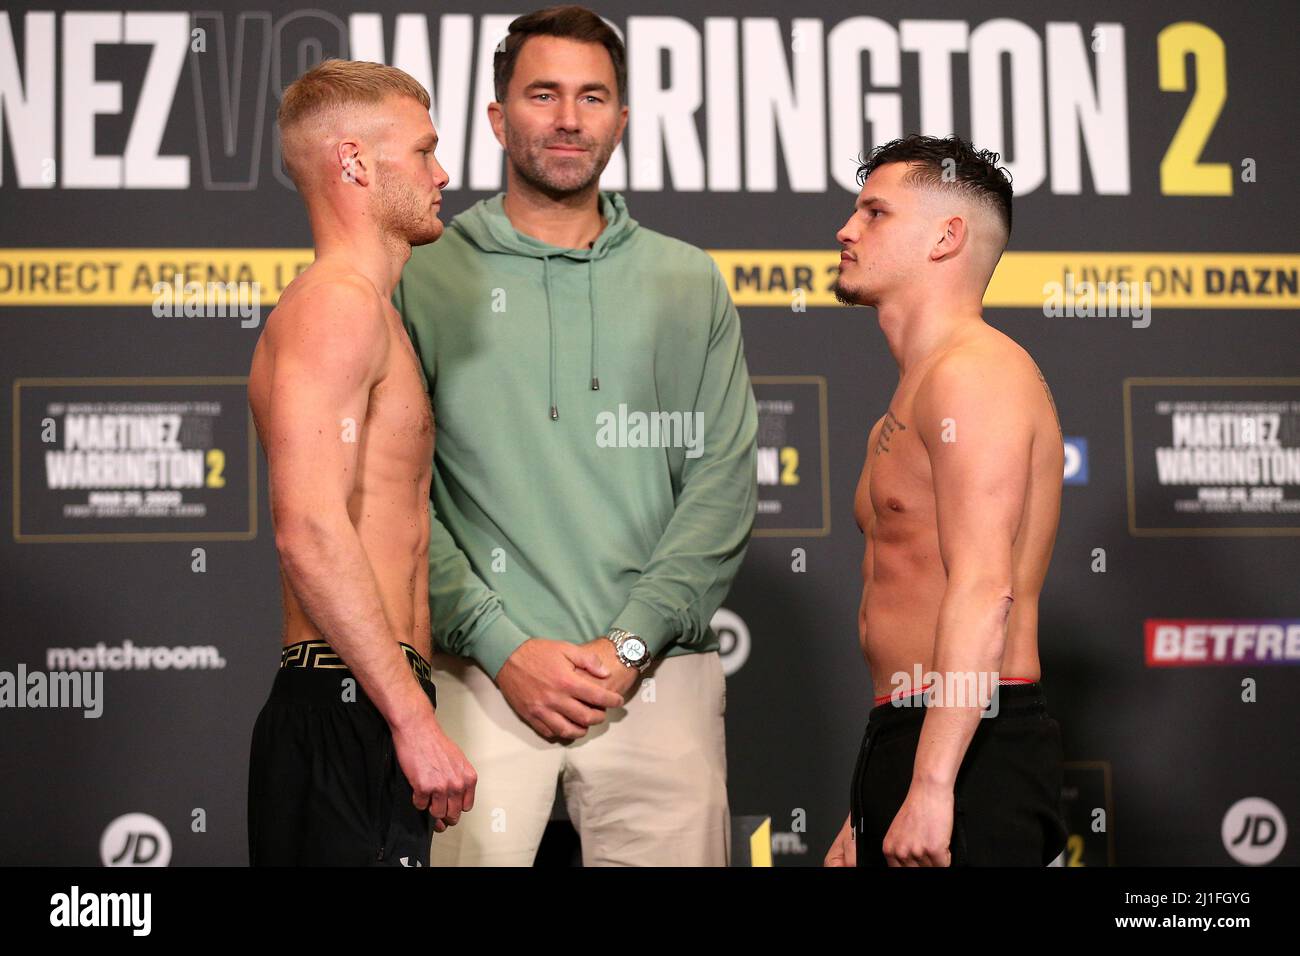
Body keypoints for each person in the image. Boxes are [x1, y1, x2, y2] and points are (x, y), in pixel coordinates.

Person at [394, 5, 758, 866]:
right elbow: (396, 495)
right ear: (497, 117)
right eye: (543, 94)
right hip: (475, 678)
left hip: (656, 677)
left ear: (621, 120)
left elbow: (722, 484)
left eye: (592, 98)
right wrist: (501, 644)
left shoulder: (687, 280)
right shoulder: (424, 273)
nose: (567, 118)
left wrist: (630, 644)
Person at [246, 58, 476, 866]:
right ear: (353, 162)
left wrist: (409, 710)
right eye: (423, 151)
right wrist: (411, 720)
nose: (443, 173)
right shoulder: (337, 306)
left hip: (366, 699)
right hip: (343, 706)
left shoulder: (371, 311)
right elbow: (309, 528)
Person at [823, 134, 1068, 868]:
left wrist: (933, 785)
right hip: (915, 735)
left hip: (974, 746)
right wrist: (870, 801)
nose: (846, 229)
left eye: (874, 213)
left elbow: (984, 590)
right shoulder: (912, 395)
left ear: (947, 237)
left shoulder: (976, 375)